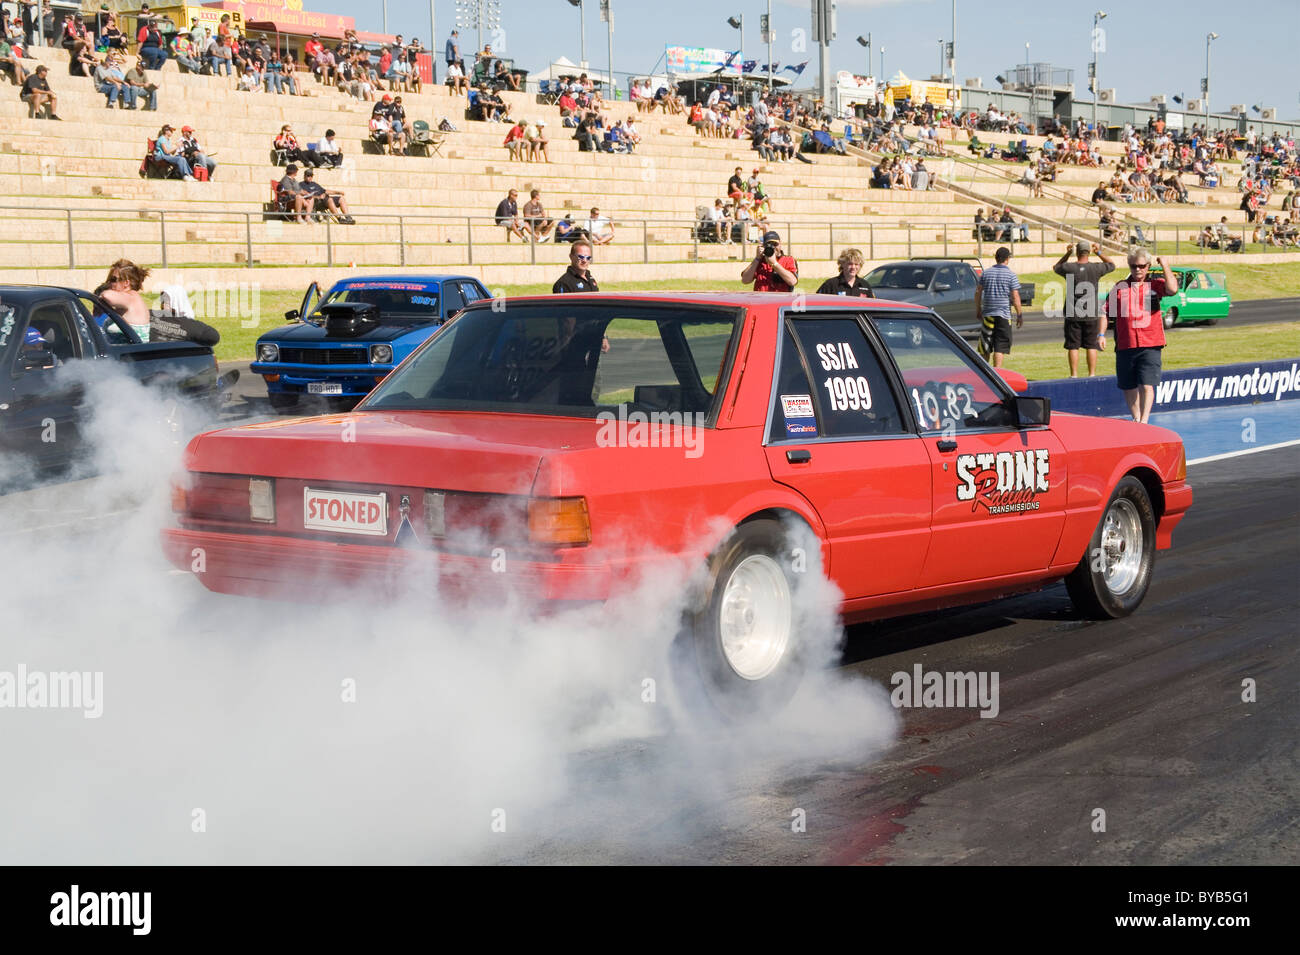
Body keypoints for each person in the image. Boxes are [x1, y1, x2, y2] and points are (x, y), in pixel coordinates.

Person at [1100, 250, 1178, 424]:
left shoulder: (1155, 285)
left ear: (1148, 267)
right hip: (1125, 344)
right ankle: (1136, 417)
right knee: (1128, 385)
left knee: (1146, 384)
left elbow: (1172, 289)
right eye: (1134, 266)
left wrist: (1165, 264)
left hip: (1150, 342)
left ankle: (1144, 420)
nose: (1138, 270)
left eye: (1142, 266)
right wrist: (1100, 334)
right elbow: (1105, 311)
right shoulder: (1120, 288)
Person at [1053, 241, 1115, 378]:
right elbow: (1112, 264)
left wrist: (1067, 253)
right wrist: (1099, 252)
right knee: (1091, 346)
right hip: (1091, 312)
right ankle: (1091, 374)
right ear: (1089, 252)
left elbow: (1056, 267)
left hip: (1073, 312)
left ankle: (1074, 374)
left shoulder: (1069, 268)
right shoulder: (1096, 268)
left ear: (1077, 252)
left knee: (1073, 346)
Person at [974, 246, 1022, 368]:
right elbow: (1015, 296)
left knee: (985, 346)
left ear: (996, 258)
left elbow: (978, 292)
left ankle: (983, 372)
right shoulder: (1011, 275)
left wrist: (978, 309)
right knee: (999, 347)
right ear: (1007, 259)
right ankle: (997, 372)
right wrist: (1019, 314)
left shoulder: (986, 273)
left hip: (988, 314)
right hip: (1003, 315)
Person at [98, 259, 153, 341]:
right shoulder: (125, 300)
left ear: (126, 283)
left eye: (113, 279)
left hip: (132, 353)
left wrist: (101, 293)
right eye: (109, 280)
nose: (109, 283)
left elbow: (107, 295)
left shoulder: (131, 297)